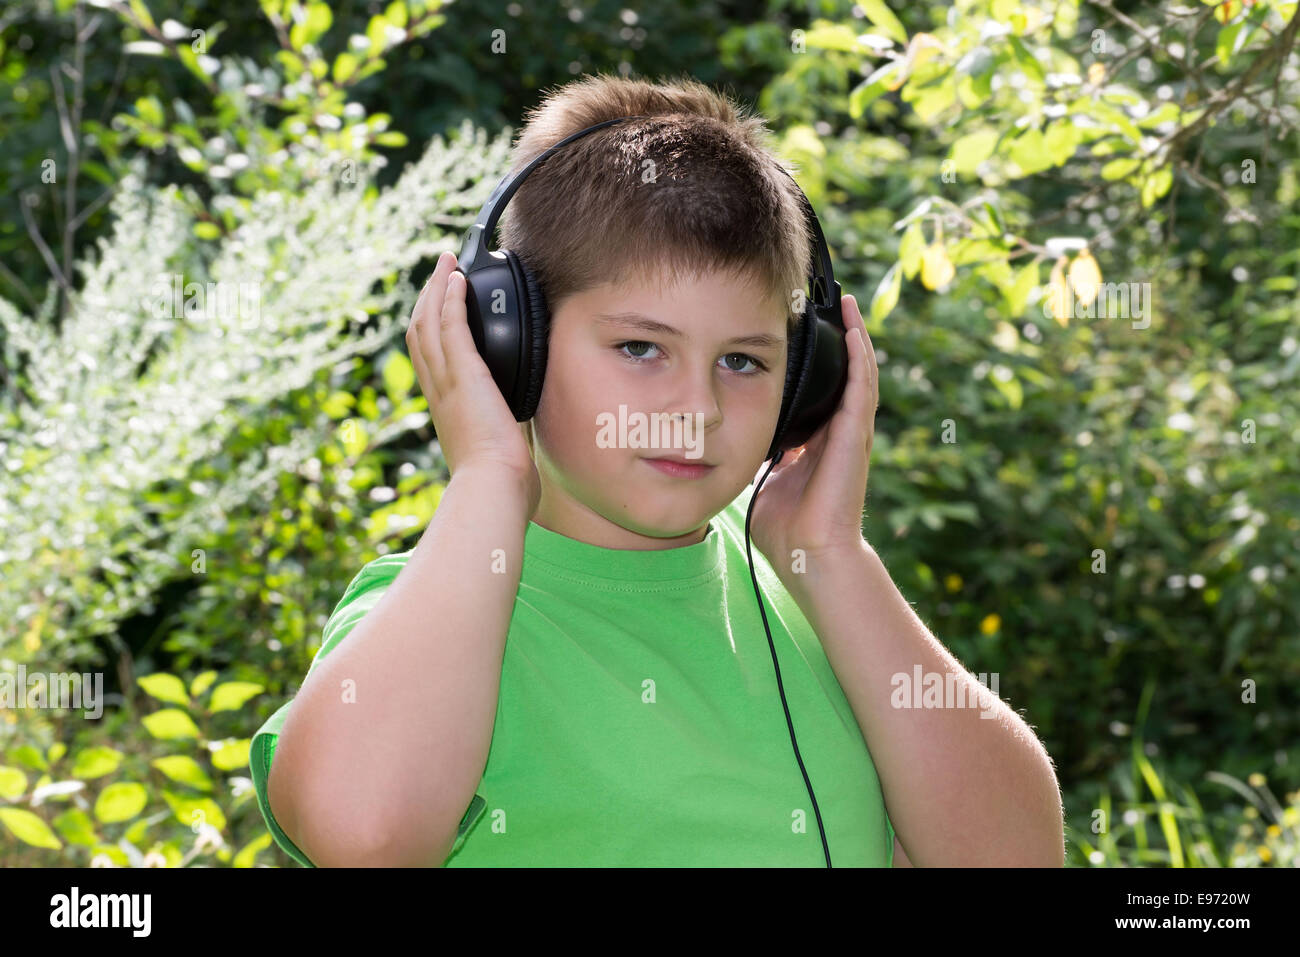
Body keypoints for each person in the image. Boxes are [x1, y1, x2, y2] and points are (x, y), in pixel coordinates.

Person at [248, 73, 1064, 867]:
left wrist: (834, 555)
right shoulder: (438, 614)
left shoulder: (821, 609)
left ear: (808, 380)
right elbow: (363, 835)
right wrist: (489, 475)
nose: (697, 407)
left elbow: (1015, 855)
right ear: (509, 343)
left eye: (744, 361)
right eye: (641, 347)